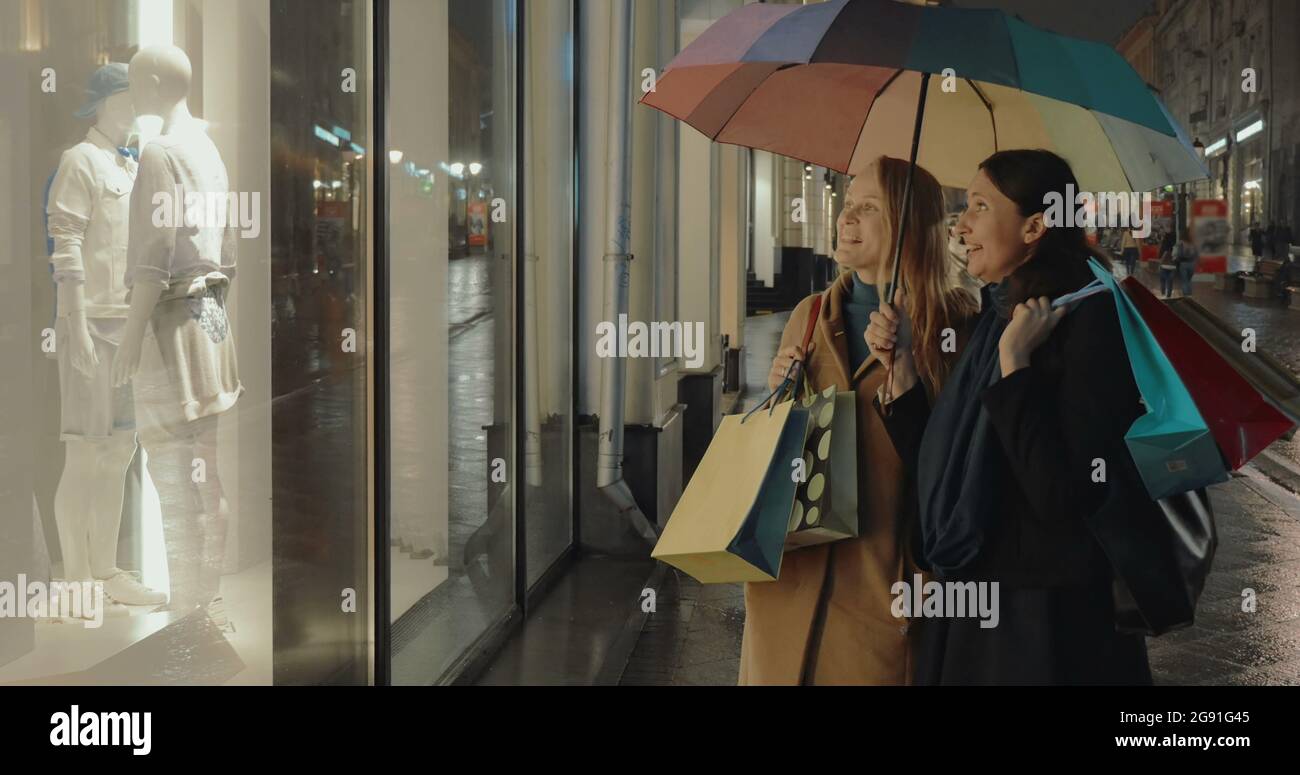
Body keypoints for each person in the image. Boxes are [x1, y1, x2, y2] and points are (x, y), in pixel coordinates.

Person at [870, 149, 1156, 685]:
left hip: (1042, 628)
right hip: (979, 610)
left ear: (1035, 225)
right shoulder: (999, 314)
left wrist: (1017, 369)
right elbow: (952, 467)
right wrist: (902, 369)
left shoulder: (1083, 318)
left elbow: (1063, 495)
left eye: (980, 206)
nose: (962, 224)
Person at [738, 156, 977, 685]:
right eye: (848, 205)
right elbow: (780, 441)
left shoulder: (956, 322)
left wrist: (911, 369)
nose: (847, 218)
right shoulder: (810, 313)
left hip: (880, 589)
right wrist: (780, 389)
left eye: (867, 208)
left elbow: (959, 463)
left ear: (909, 225)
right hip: (790, 580)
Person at [1173, 228, 1199, 297]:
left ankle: (1186, 296)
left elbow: (1179, 254)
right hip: (1192, 264)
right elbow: (1196, 254)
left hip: (1183, 264)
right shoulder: (1194, 243)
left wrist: (1176, 260)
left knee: (1184, 281)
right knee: (1189, 280)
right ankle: (1190, 295)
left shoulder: (1181, 243)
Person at [1158, 230, 1178, 298]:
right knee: (1170, 281)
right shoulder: (1175, 246)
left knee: (1163, 280)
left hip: (1163, 266)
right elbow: (1176, 257)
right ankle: (1168, 295)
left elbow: (1159, 256)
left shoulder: (1163, 246)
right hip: (1172, 267)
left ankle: (1163, 294)